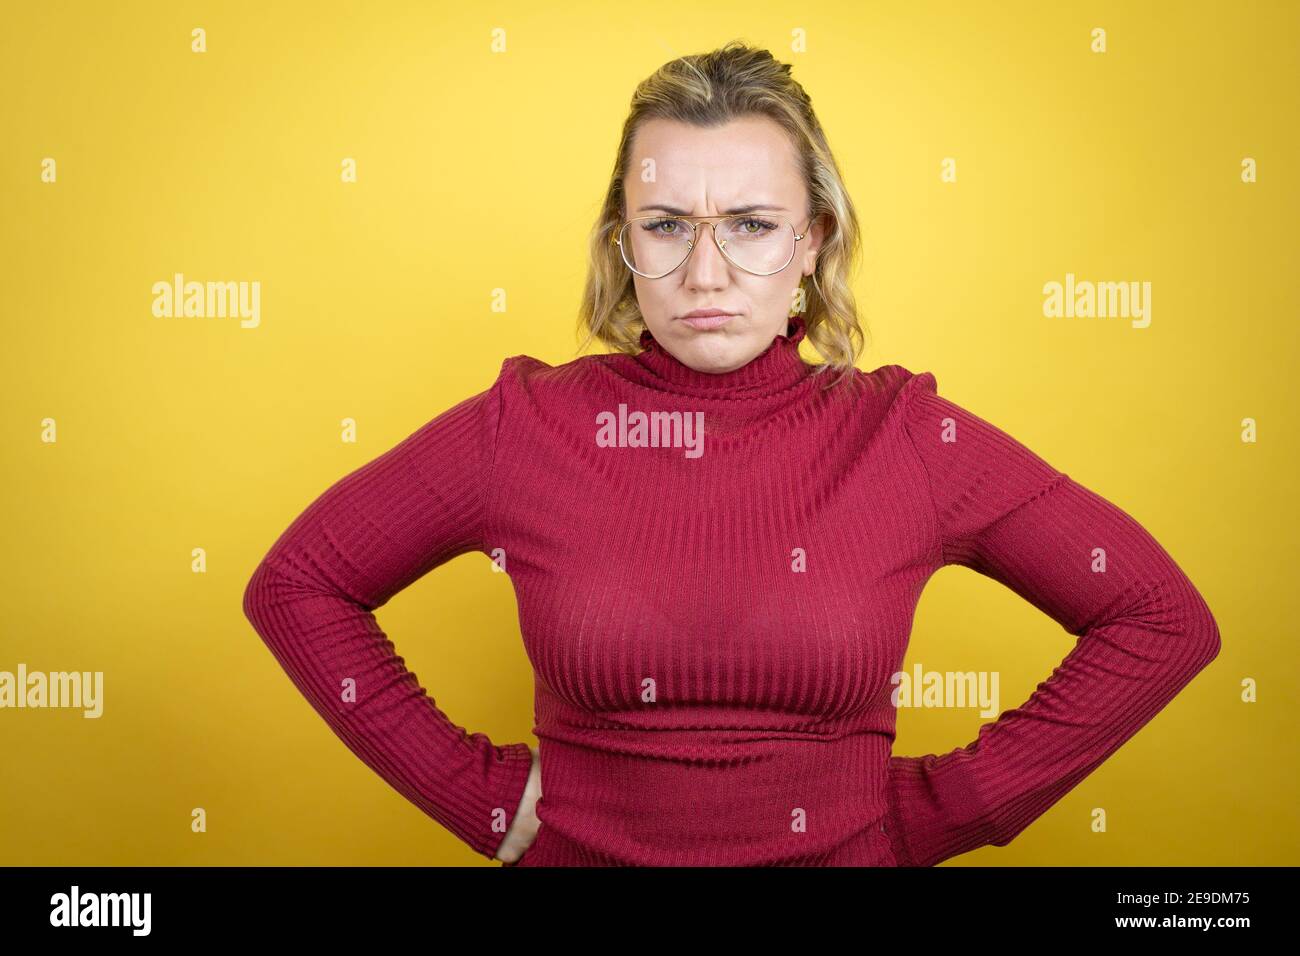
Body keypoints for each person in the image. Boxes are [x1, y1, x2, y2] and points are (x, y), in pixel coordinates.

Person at [242, 41, 1220, 867]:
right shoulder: (526, 422)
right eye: (665, 225)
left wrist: (941, 812)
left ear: (811, 241)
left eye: (751, 225)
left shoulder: (905, 435)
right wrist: (486, 801)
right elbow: (297, 586)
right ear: (623, 240)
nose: (703, 272)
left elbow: (1157, 616)